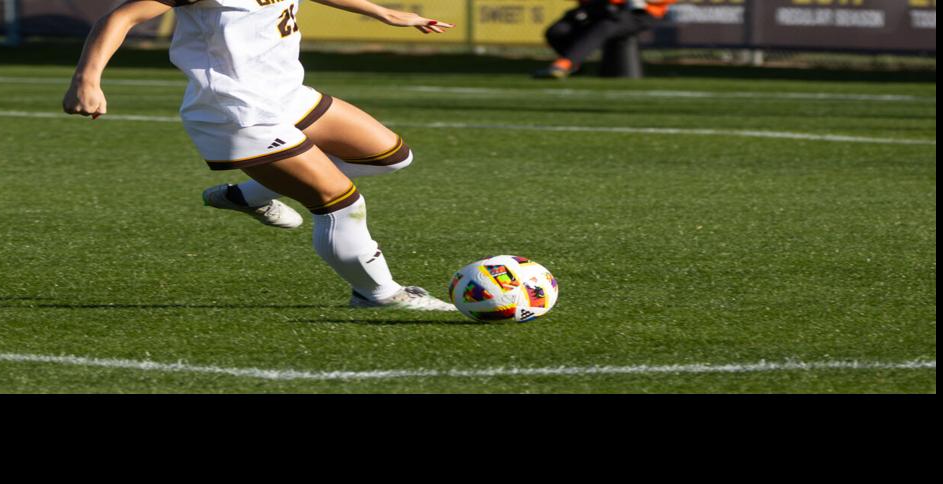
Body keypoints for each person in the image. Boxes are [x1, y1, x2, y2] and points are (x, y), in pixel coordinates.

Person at [64, 0, 458, 311]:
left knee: (390, 156)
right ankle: (378, 294)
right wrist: (87, 79)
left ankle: (247, 195)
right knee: (340, 202)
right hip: (236, 111)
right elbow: (120, 17)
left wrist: (384, 14)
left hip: (288, 95)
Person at [535, 0, 674, 80]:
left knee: (605, 26)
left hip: (638, 13)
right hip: (600, 7)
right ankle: (575, 67)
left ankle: (564, 65)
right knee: (557, 31)